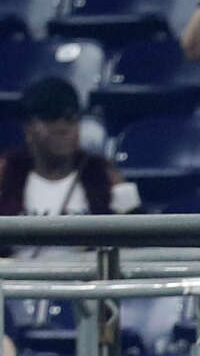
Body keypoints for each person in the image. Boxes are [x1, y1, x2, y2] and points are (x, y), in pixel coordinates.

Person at [0, 77, 139, 258]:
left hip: (87, 281)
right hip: (16, 282)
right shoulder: (6, 173)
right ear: (28, 129)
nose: (62, 128)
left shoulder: (104, 175)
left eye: (70, 119)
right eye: (51, 119)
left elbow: (137, 243)